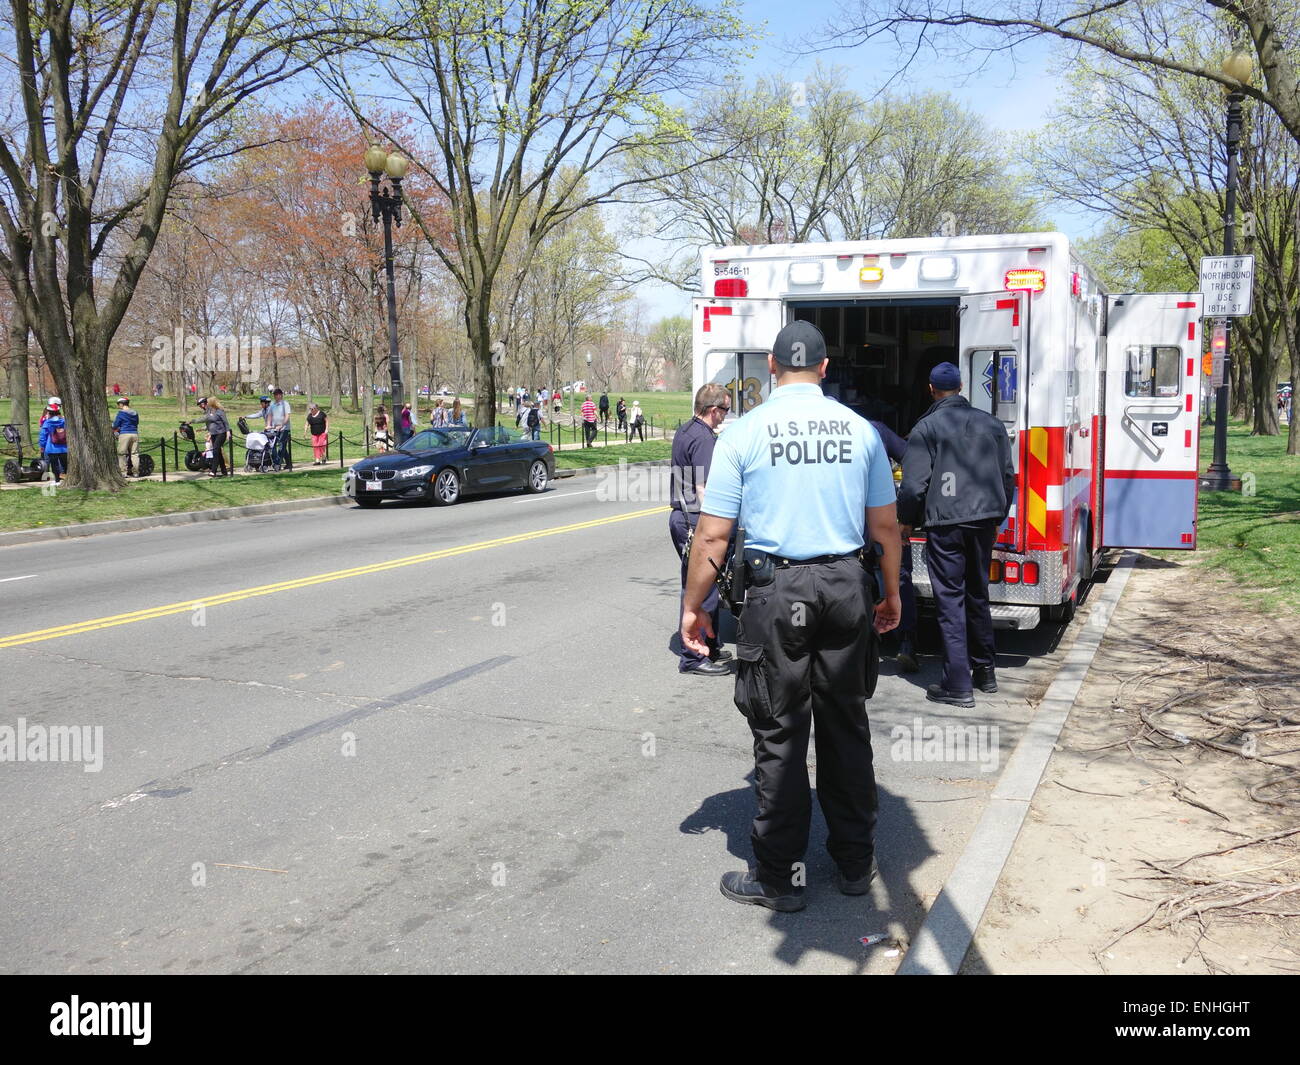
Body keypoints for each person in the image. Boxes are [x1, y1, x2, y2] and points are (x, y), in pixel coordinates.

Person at [681, 320, 901, 912]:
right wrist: (891, 593)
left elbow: (714, 533)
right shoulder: (861, 432)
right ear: (825, 368)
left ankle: (780, 879)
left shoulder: (743, 433)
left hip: (777, 592)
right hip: (845, 585)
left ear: (771, 370)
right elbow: (884, 526)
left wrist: (693, 607)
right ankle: (855, 865)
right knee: (844, 726)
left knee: (779, 734)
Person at [898, 362, 1015, 708]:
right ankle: (985, 672)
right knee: (978, 594)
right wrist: (998, 516)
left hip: (945, 524)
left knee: (950, 600)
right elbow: (1007, 477)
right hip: (983, 522)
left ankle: (958, 684)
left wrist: (906, 521)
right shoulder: (992, 425)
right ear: (962, 386)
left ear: (931, 390)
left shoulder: (926, 428)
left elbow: (913, 487)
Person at [669, 383, 733, 675]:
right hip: (695, 519)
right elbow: (703, 489)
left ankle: (710, 643)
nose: (725, 416)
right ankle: (693, 656)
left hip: (682, 517)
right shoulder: (705, 439)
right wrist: (721, 524)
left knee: (703, 584)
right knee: (701, 587)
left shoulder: (685, 431)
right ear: (713, 410)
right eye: (725, 410)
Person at [869, 418, 919, 673]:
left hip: (849, 522)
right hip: (883, 512)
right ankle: (907, 643)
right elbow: (909, 455)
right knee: (899, 573)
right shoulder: (873, 428)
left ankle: (864, 644)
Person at [39, 401, 68, 486]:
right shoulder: (64, 421)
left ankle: (57, 480)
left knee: (54, 465)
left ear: (49, 413)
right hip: (64, 447)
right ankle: (65, 479)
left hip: (51, 448)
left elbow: (43, 436)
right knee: (64, 464)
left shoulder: (47, 423)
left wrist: (42, 446)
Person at [203, 396, 231, 477]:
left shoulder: (220, 411)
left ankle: (213, 471)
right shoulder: (211, 412)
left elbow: (226, 423)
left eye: (208, 402)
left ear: (212, 403)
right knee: (218, 452)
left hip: (221, 433)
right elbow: (211, 423)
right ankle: (224, 471)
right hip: (214, 434)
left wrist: (228, 432)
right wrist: (204, 428)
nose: (207, 404)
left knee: (215, 451)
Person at [113, 396, 140, 476]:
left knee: (122, 453)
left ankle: (123, 473)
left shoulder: (121, 413)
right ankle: (136, 473)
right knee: (135, 454)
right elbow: (137, 423)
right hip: (135, 434)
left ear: (121, 404)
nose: (118, 406)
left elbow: (115, 425)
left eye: (118, 404)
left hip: (124, 434)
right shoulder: (135, 413)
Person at [267, 388, 292, 469]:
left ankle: (278, 463)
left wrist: (282, 425)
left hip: (284, 428)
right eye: (274, 394)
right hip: (274, 428)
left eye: (277, 394)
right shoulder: (272, 405)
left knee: (281, 446)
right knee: (274, 446)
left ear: (281, 395)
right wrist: (268, 425)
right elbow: (270, 416)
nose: (275, 396)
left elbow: (287, 416)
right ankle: (288, 463)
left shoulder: (285, 404)